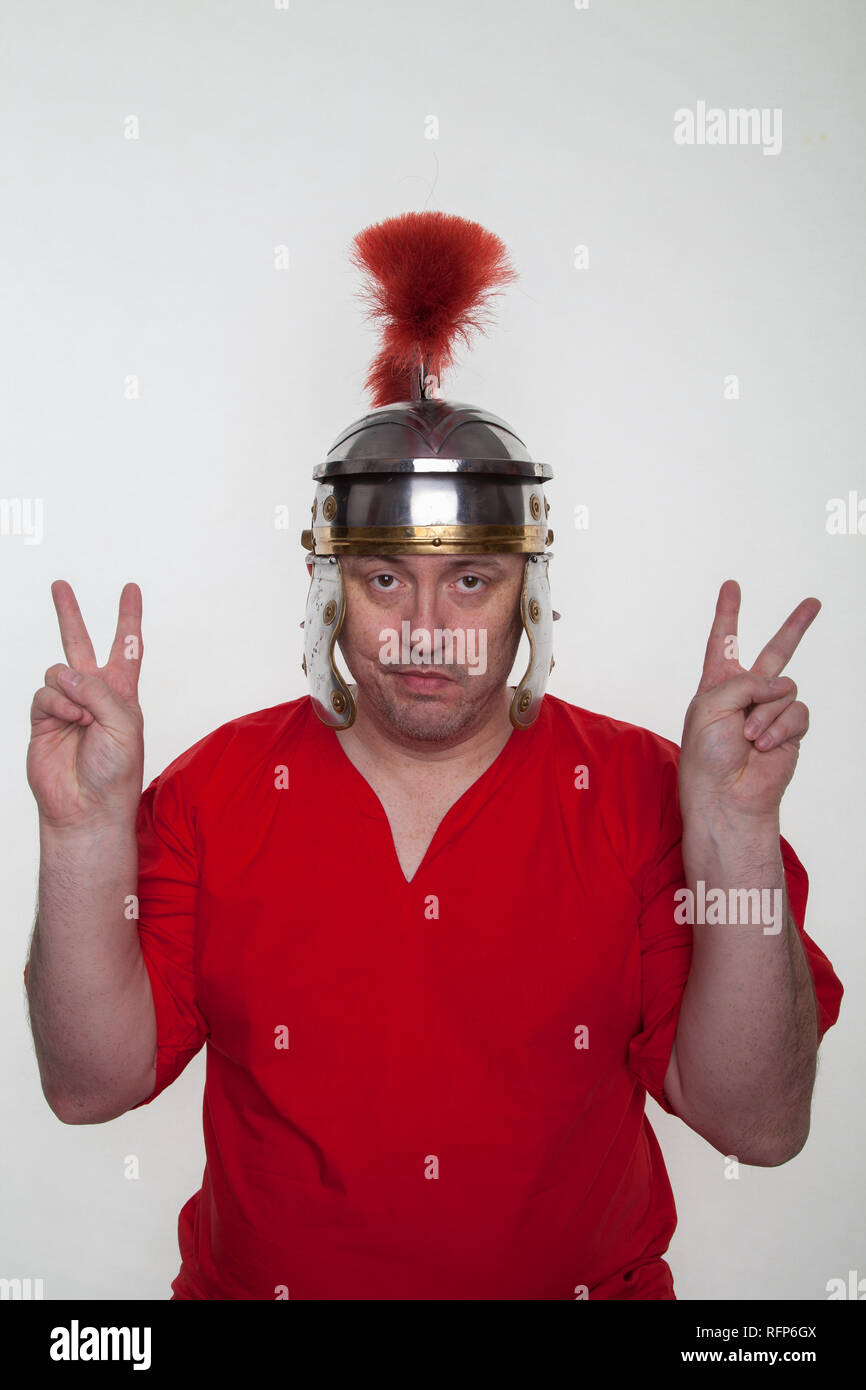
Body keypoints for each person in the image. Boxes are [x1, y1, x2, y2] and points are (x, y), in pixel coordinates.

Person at [23, 212, 843, 1300]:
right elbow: (89, 1086)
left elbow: (761, 1123)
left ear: (524, 598)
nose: (423, 626)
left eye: (468, 580)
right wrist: (80, 835)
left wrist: (735, 835)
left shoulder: (647, 793)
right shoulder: (220, 791)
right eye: (382, 580)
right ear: (329, 592)